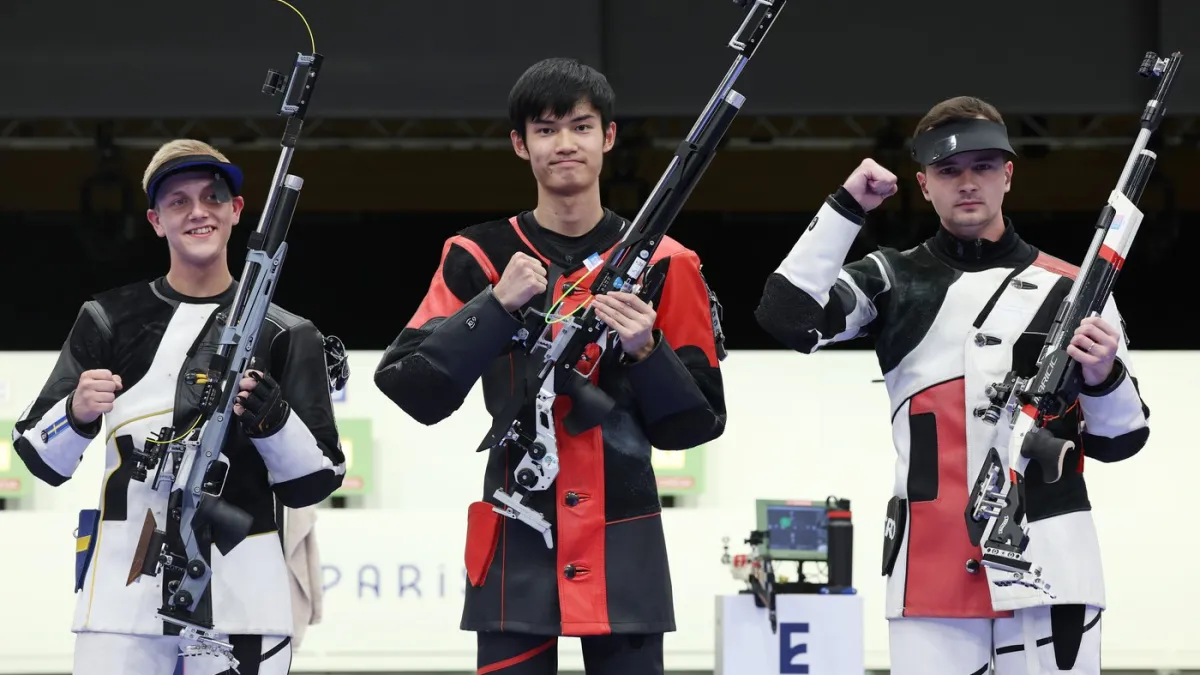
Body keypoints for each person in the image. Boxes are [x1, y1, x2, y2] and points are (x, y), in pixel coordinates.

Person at [754, 96, 1151, 674]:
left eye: (984, 166)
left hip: (1052, 563)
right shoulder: (890, 277)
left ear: (1008, 175)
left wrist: (1103, 373)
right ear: (924, 184)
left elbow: (1123, 441)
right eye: (948, 170)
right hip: (929, 565)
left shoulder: (1077, 286)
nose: (968, 182)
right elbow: (785, 317)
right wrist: (847, 207)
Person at [374, 57, 728, 675]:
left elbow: (695, 426)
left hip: (625, 541)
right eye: (545, 129)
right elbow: (412, 389)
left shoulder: (669, 262)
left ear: (608, 137)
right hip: (517, 535)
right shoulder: (480, 254)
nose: (564, 144)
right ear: (520, 143)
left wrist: (648, 350)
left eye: (582, 127)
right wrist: (494, 305)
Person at [11, 139, 348, 675]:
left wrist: (274, 421)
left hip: (244, 601)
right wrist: (75, 413)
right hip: (120, 603)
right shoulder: (108, 318)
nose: (198, 211)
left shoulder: (288, 333)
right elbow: (37, 456)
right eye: (178, 201)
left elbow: (318, 479)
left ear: (236, 211)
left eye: (213, 197)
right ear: (154, 219)